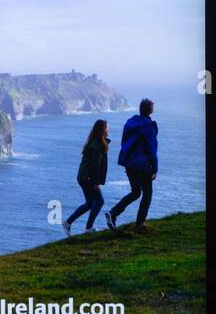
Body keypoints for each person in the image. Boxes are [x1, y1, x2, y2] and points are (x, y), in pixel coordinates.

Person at [104, 98, 158, 234]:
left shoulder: (130, 123)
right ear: (151, 110)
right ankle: (140, 224)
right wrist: (155, 168)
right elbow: (152, 149)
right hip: (143, 165)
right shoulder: (148, 126)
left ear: (140, 109)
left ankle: (113, 213)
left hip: (129, 163)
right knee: (147, 193)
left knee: (135, 192)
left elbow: (124, 142)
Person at [63, 119, 109, 236]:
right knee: (99, 202)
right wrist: (95, 181)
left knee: (90, 203)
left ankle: (69, 223)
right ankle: (87, 227)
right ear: (102, 129)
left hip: (84, 177)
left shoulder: (97, 142)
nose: (108, 129)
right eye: (106, 127)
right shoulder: (97, 145)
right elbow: (94, 165)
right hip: (87, 178)